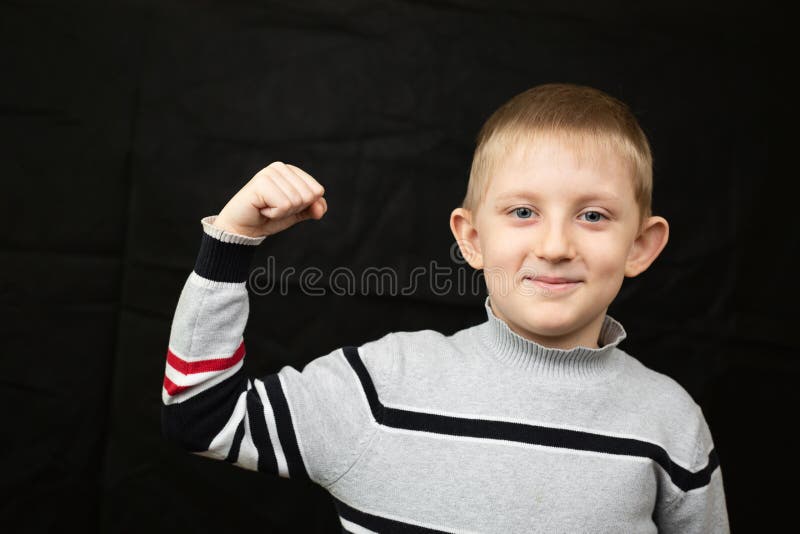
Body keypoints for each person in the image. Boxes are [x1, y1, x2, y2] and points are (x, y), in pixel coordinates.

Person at [161, 83, 729, 533]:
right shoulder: (382, 389)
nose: (556, 246)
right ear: (472, 239)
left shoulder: (671, 423)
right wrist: (231, 243)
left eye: (594, 216)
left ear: (640, 246)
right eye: (523, 212)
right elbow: (202, 417)